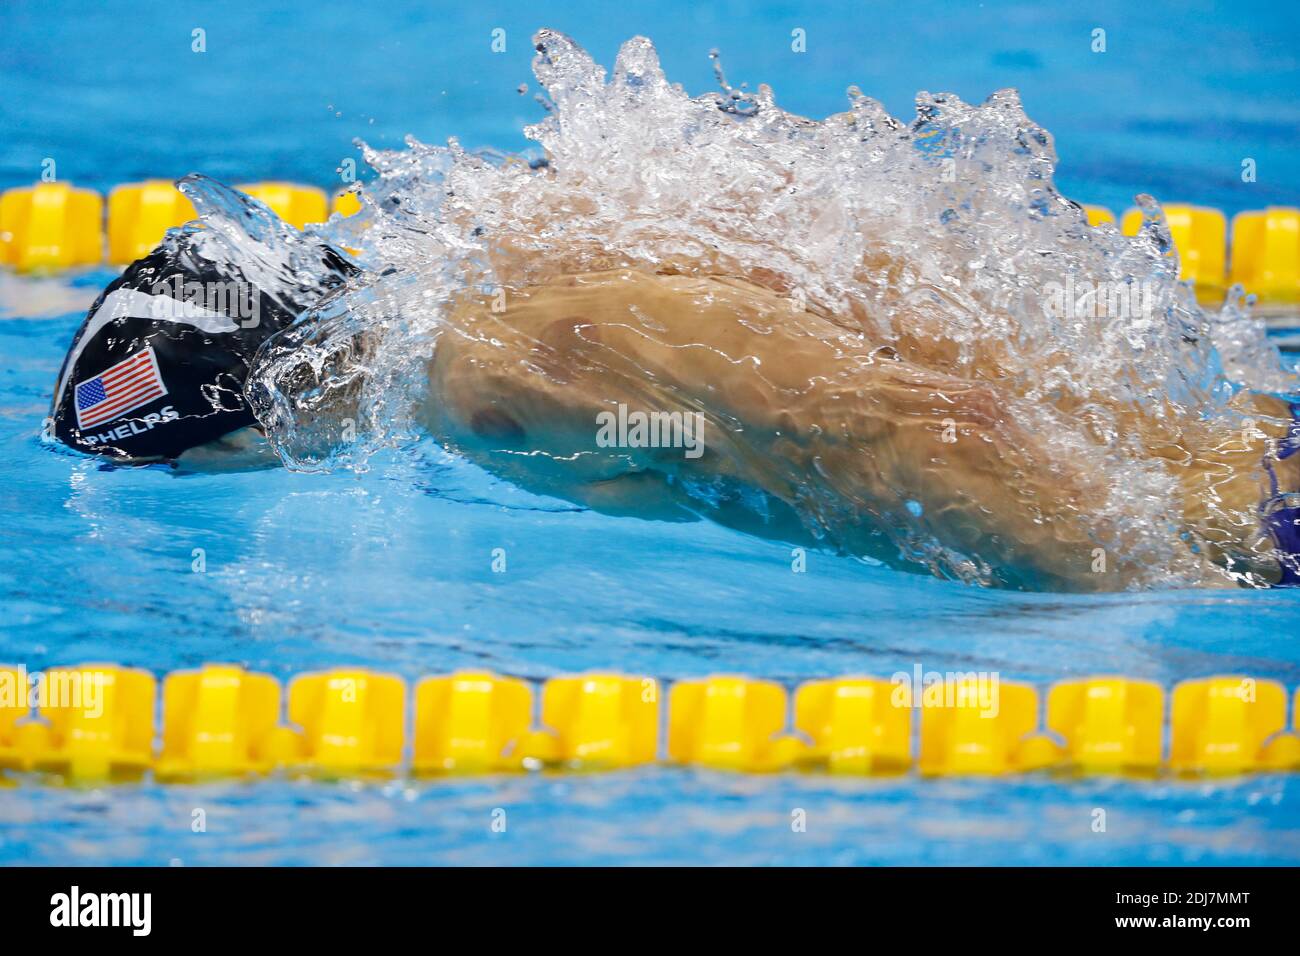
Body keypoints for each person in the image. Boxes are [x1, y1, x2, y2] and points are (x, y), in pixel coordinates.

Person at [51, 244, 1300, 590]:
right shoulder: (493, 254)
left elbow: (940, 428)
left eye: (180, 465)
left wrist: (1098, 618)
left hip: (1256, 521)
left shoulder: (484, 381)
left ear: (237, 431)